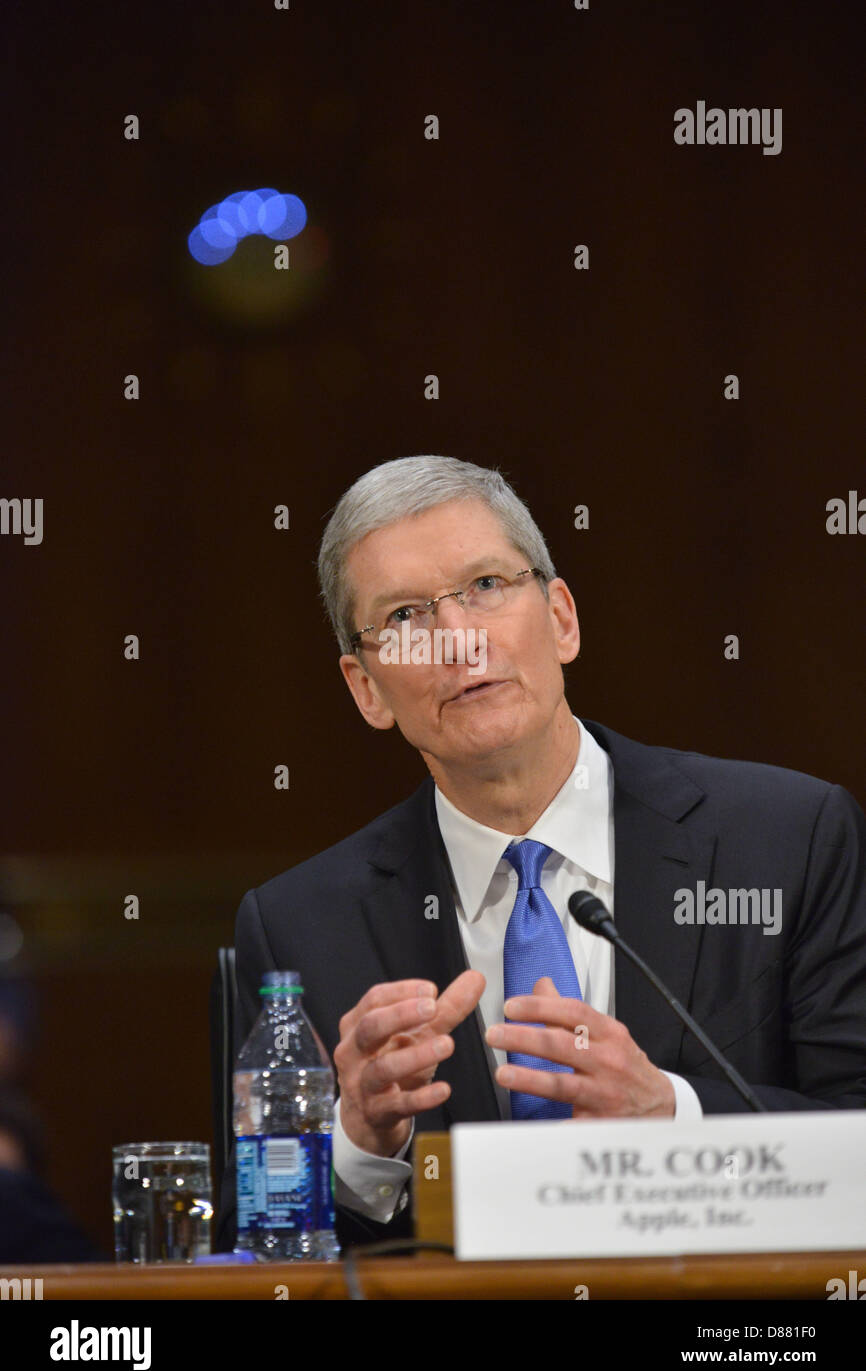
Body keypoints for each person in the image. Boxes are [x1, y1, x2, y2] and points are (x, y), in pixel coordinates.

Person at [215, 455, 866, 1252]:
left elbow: (856, 1136)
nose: (458, 641)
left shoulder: (787, 840)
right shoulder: (299, 926)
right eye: (407, 618)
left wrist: (672, 1114)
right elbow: (259, 1241)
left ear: (561, 618)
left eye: (486, 585)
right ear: (367, 689)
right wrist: (358, 1143)